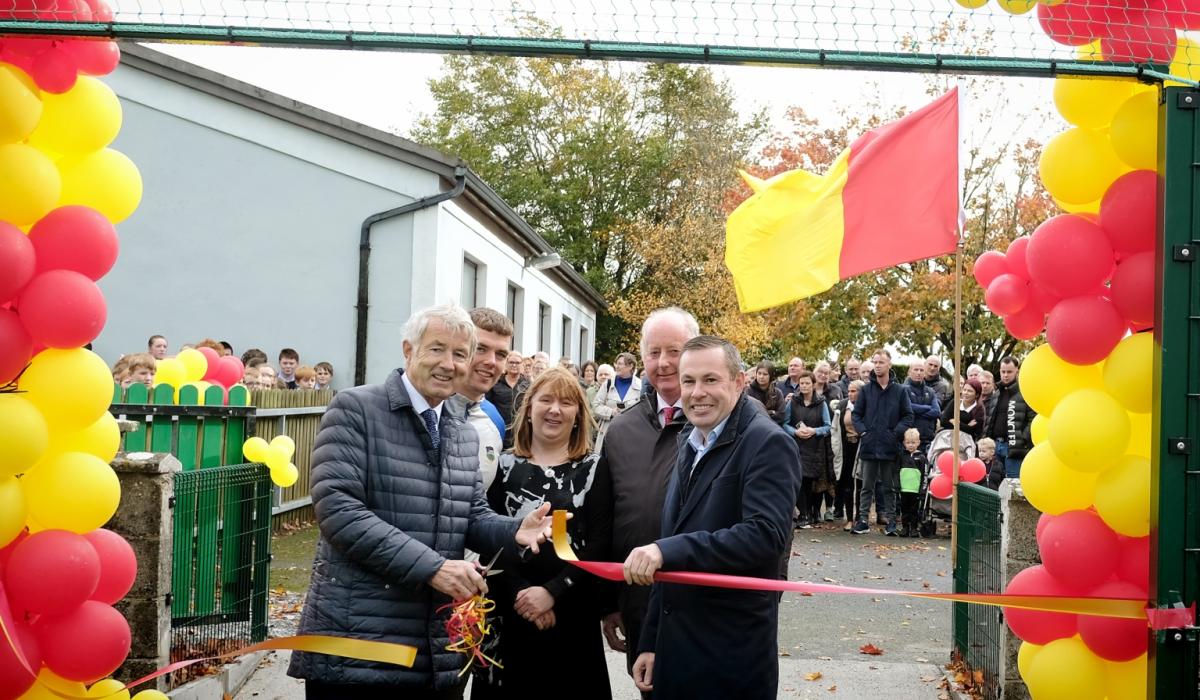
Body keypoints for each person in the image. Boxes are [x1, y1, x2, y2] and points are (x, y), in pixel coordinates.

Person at [287, 304, 557, 698]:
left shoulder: (462, 433)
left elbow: (471, 516)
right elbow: (339, 511)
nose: (449, 363)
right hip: (357, 650)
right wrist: (434, 569)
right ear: (408, 350)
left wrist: (516, 531)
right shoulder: (355, 409)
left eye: (460, 354)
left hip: (433, 651)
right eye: (437, 349)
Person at [626, 335, 800, 700]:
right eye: (688, 381)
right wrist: (652, 641)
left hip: (729, 657)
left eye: (710, 380)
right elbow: (673, 535)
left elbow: (765, 537)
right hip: (676, 651)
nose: (697, 392)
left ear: (738, 382)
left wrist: (666, 550)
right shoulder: (691, 436)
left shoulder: (767, 442)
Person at [477, 367, 612, 697]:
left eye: (566, 403)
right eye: (546, 400)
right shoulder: (504, 467)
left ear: (579, 415)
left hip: (571, 615)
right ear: (529, 408)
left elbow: (599, 543)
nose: (555, 409)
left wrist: (552, 591)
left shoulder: (594, 468)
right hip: (508, 613)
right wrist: (523, 595)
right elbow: (486, 535)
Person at [597, 307, 698, 681]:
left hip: (704, 603)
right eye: (654, 353)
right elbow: (607, 520)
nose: (664, 363)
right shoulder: (621, 431)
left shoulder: (729, 423)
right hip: (639, 600)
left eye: (675, 351)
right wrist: (609, 602)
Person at [850, 349, 914, 537]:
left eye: (881, 362)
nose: (877, 365)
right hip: (869, 445)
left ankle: (892, 522)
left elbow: (908, 415)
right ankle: (862, 520)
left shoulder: (900, 391)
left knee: (889, 487)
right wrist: (863, 432)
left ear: (889, 364)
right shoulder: (866, 390)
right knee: (866, 486)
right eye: (875, 362)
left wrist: (895, 434)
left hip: (890, 446)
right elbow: (856, 414)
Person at [450, 308, 513, 491]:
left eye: (501, 354)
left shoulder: (495, 420)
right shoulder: (424, 409)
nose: (491, 361)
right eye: (480, 349)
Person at [784, 371, 831, 528]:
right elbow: (785, 423)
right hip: (796, 446)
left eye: (807, 383)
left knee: (811, 482)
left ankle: (811, 513)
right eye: (801, 383)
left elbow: (828, 426)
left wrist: (814, 431)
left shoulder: (821, 403)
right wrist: (795, 432)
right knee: (799, 481)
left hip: (815, 447)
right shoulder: (793, 402)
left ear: (813, 385)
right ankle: (803, 514)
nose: (804, 386)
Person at [985, 356, 1035, 479]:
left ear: (1017, 371)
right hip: (995, 445)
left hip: (1014, 447)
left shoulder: (1025, 393)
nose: (1005, 375)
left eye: (1009, 372)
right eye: (1003, 372)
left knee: (1013, 484)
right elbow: (990, 419)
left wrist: (1022, 439)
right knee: (994, 485)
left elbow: (1033, 419)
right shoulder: (996, 393)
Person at [592, 351, 642, 454]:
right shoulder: (608, 383)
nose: (617, 366)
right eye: (616, 363)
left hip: (631, 434)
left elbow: (645, 411)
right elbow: (596, 406)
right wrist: (611, 412)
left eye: (620, 364)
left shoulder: (640, 386)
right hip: (609, 433)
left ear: (630, 366)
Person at [487, 351, 528, 432]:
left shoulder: (527, 384)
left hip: (521, 429)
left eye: (517, 363)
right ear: (506, 364)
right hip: (498, 428)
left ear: (522, 365)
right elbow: (488, 405)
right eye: (511, 362)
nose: (514, 365)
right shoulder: (495, 383)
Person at [897, 428, 927, 538]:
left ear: (918, 443)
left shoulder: (922, 458)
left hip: (915, 489)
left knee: (914, 510)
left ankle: (914, 528)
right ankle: (905, 527)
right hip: (904, 489)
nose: (910, 445)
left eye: (913, 443)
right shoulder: (901, 456)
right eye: (908, 443)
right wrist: (897, 485)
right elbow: (897, 471)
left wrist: (922, 490)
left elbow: (925, 475)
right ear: (904, 443)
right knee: (904, 509)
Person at [904, 364, 940, 452]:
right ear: (909, 372)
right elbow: (908, 408)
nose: (919, 373)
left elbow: (936, 411)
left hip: (927, 439)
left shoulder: (930, 391)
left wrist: (916, 412)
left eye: (921, 370)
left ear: (925, 373)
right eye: (916, 369)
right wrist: (928, 407)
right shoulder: (903, 390)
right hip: (909, 441)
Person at [940, 377, 986, 441]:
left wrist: (956, 422)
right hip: (948, 439)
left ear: (977, 395)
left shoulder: (979, 409)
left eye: (970, 391)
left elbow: (973, 431)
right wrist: (966, 426)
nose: (966, 393)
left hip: (966, 443)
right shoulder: (955, 402)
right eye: (964, 390)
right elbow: (943, 421)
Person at [745, 360, 786, 425]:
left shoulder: (777, 393)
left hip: (773, 428)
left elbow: (781, 416)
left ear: (770, 376)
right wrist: (771, 412)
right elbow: (748, 414)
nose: (761, 377)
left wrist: (762, 414)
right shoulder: (748, 391)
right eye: (759, 373)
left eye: (765, 374)